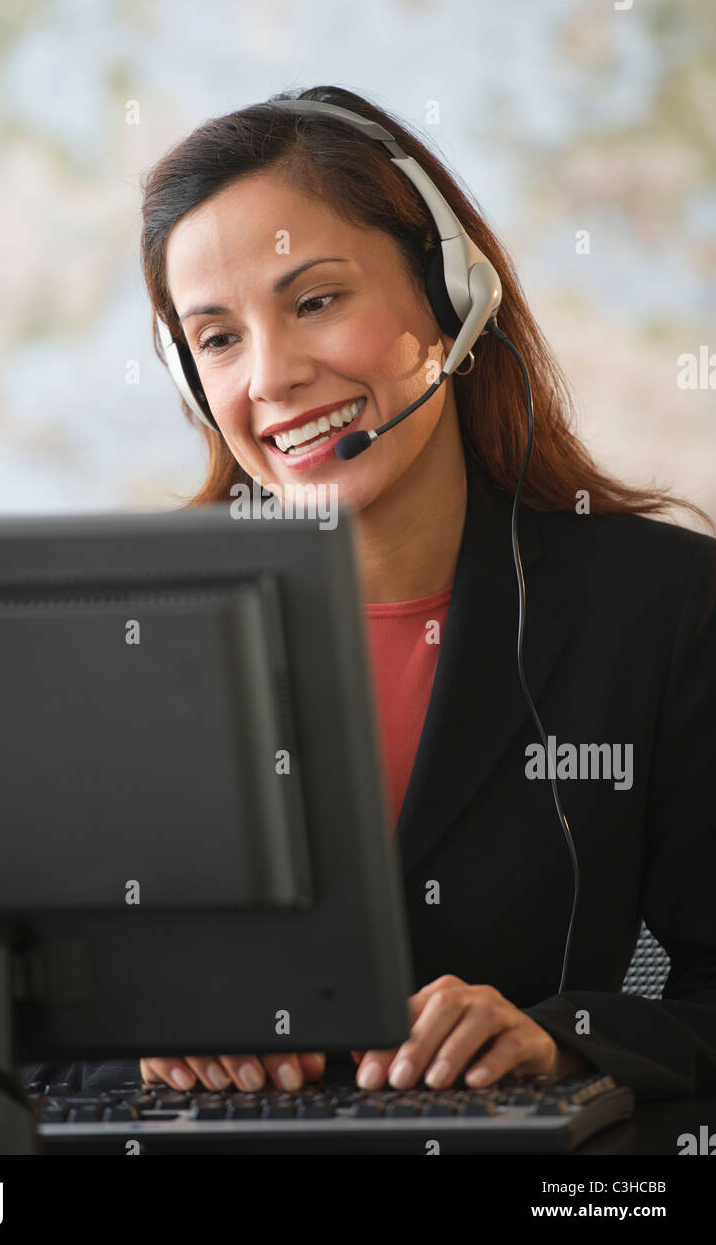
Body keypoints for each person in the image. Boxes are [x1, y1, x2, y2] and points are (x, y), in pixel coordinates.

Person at [135, 84, 716, 1101]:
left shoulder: (663, 609)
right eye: (218, 337)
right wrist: (154, 1037)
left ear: (453, 299)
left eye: (316, 300)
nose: (270, 377)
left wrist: (559, 1038)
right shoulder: (132, 624)